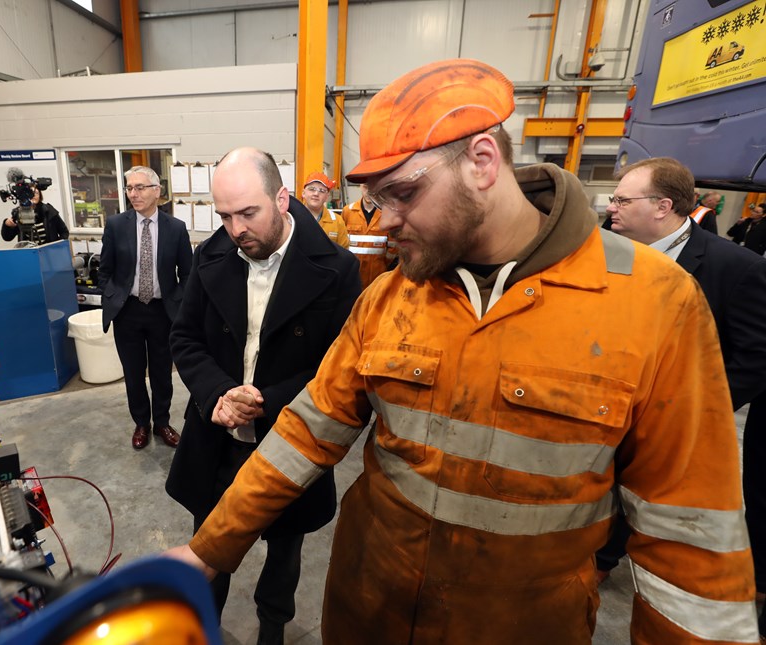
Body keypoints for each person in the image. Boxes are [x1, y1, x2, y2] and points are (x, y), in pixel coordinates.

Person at [165, 59, 758, 643]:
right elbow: (307, 432)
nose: (385, 222)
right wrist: (208, 550)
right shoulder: (392, 297)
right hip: (368, 610)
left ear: (481, 161)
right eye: (376, 198)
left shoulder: (653, 301)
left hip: (516, 627)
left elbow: (690, 536)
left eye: (402, 193)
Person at [166, 147, 360, 644]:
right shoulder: (209, 257)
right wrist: (217, 395)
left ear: (282, 198)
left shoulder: (336, 269)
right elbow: (184, 338)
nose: (235, 229)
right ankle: (204, 627)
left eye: (248, 213)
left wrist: (267, 398)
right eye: (225, 215)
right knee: (210, 547)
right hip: (216, 437)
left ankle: (272, 627)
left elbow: (337, 364)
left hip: (289, 440)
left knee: (284, 548)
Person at [603, 159, 766, 629]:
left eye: (621, 200)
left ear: (663, 207)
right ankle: (602, 559)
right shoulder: (610, 253)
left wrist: (696, 410)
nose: (611, 208)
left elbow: (755, 356)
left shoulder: (735, 268)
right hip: (615, 401)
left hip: (680, 418)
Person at [98, 166, 192, 450]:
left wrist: (178, 300)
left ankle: (162, 422)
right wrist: (114, 296)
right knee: (134, 372)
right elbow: (105, 271)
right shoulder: (116, 225)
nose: (133, 194)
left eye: (139, 188)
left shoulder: (175, 228)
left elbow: (187, 273)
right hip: (127, 311)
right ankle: (142, 423)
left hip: (163, 312)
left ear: (156, 191)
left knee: (163, 372)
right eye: (129, 188)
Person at [342, 183, 396, 288]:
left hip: (378, 276)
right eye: (366, 187)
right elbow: (342, 243)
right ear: (360, 187)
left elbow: (393, 247)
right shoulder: (348, 211)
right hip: (352, 275)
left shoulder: (387, 213)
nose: (369, 192)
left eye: (373, 187)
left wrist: (381, 264)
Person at [0, 187, 69, 245]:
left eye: (36, 193)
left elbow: (64, 233)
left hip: (49, 253)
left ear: (40, 196)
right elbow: (7, 237)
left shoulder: (49, 211)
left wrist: (56, 246)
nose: (33, 195)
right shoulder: (19, 212)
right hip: (28, 254)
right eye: (30, 193)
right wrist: (6, 224)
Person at [301, 172, 349, 248]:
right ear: (303, 193)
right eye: (312, 189)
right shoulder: (291, 218)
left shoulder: (337, 221)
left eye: (322, 191)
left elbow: (344, 253)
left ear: (327, 196)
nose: (316, 193)